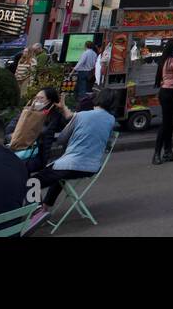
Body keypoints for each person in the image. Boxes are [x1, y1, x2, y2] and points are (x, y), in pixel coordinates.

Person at [31, 89, 117, 217]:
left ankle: (35, 214)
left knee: (32, 182)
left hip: (73, 164)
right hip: (92, 167)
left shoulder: (82, 115)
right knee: (59, 176)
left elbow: (62, 139)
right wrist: (64, 108)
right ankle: (44, 208)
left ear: (97, 99)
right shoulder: (111, 120)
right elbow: (74, 117)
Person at [10, 86, 72, 173]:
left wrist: (63, 108)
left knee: (17, 168)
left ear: (50, 101)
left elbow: (71, 124)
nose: (37, 101)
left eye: (41, 98)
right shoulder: (28, 112)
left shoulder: (55, 116)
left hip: (37, 155)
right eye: (36, 98)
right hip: (19, 150)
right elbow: (11, 127)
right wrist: (12, 135)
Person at [152, 39, 173, 165]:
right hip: (170, 93)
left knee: (169, 123)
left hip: (165, 92)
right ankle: (157, 154)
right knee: (166, 124)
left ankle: (168, 152)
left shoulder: (164, 60)